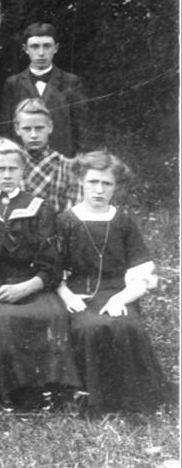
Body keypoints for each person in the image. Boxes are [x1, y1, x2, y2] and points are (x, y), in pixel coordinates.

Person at [0, 138, 80, 407]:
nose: (7, 175)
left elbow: (51, 262)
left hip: (32, 283)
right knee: (5, 321)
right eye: (0, 168)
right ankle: (16, 393)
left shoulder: (40, 207)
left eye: (13, 169)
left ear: (22, 171)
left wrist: (27, 287)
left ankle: (53, 388)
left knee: (52, 315)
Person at [55, 151, 168, 412]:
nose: (99, 189)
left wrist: (121, 298)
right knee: (89, 328)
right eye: (93, 182)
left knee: (127, 326)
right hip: (78, 293)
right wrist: (67, 295)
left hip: (119, 290)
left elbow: (141, 274)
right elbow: (53, 271)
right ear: (80, 182)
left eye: (106, 184)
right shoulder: (65, 222)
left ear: (115, 187)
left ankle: (131, 400)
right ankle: (94, 401)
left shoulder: (123, 222)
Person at [0, 22, 87, 157]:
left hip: (62, 157)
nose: (41, 53)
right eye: (35, 47)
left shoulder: (71, 81)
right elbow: (6, 128)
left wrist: (78, 156)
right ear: (25, 49)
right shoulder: (13, 83)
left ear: (56, 48)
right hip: (23, 158)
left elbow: (81, 127)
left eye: (47, 46)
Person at [12, 99, 79, 214]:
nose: (33, 135)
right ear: (17, 129)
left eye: (39, 128)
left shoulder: (66, 166)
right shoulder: (10, 165)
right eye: (27, 129)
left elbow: (75, 210)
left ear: (50, 127)